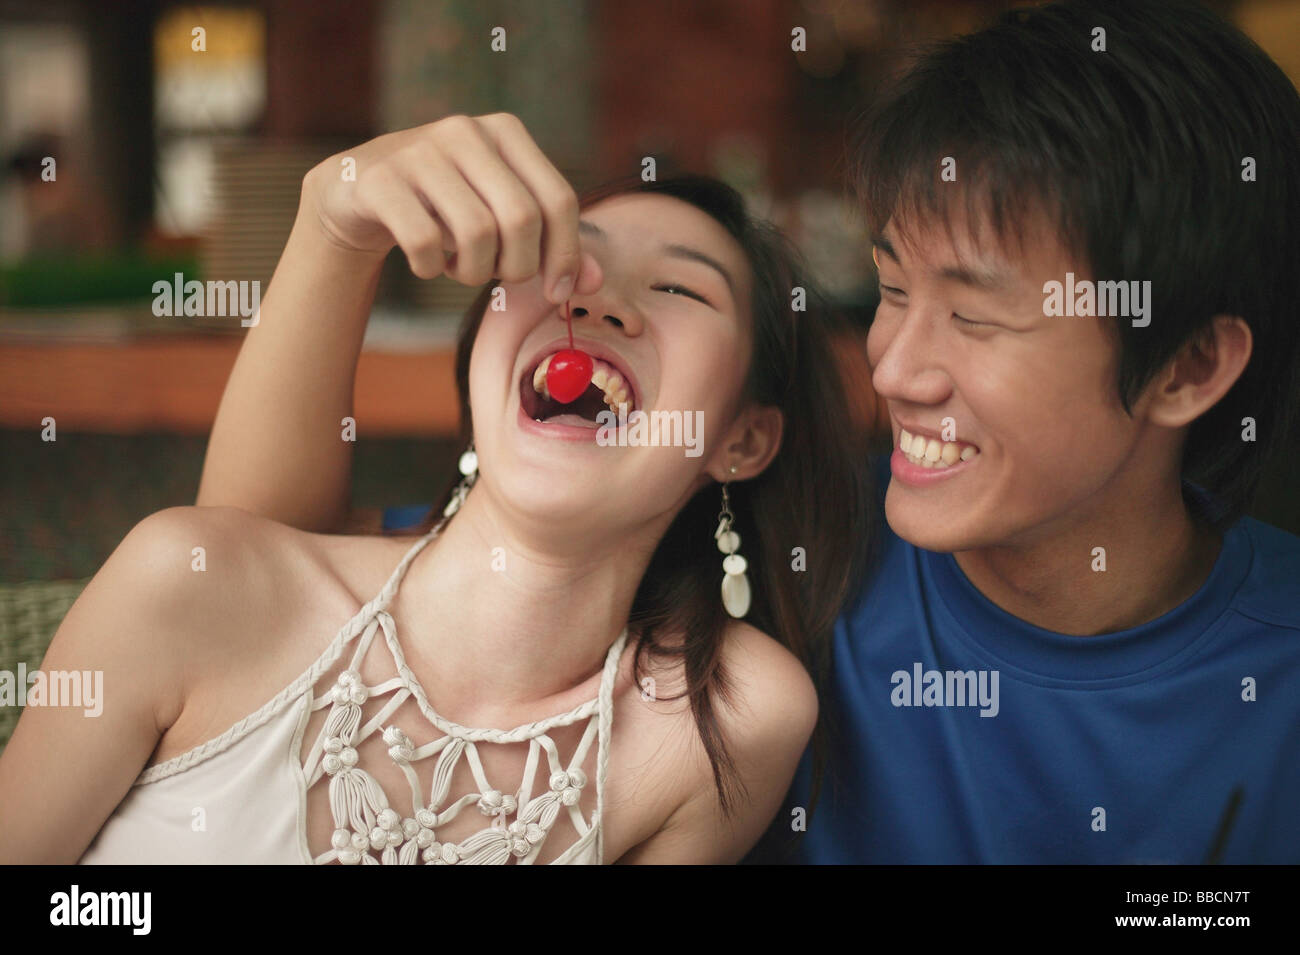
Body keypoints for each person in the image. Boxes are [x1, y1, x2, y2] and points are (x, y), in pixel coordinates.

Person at [0, 115, 872, 864]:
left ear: (742, 439)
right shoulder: (185, 577)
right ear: (483, 349)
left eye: (680, 287)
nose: (602, 305)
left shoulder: (727, 722)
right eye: (570, 264)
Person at [747, 0, 1300, 863]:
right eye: (892, 289)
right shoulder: (789, 553)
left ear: (1187, 367)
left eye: (972, 314)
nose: (892, 370)